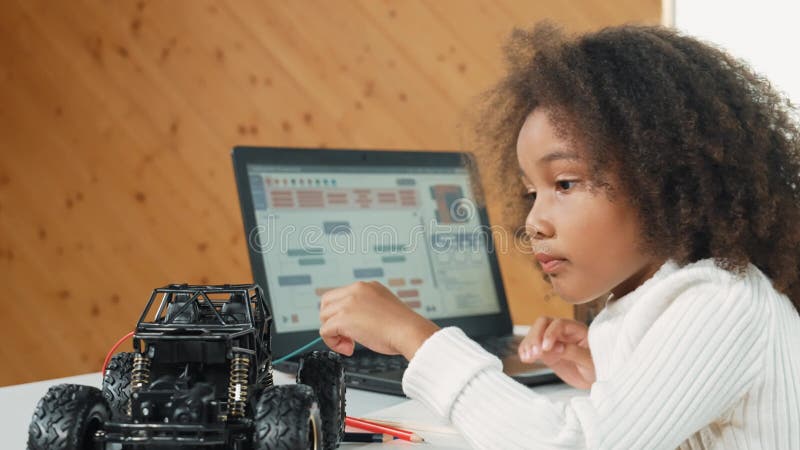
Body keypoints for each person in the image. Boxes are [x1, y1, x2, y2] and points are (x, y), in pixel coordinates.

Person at [318, 23, 800, 448]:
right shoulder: (683, 298)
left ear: (663, 178)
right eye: (531, 193)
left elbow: (570, 445)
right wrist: (611, 373)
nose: (534, 223)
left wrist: (414, 336)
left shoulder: (721, 302)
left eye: (564, 183)